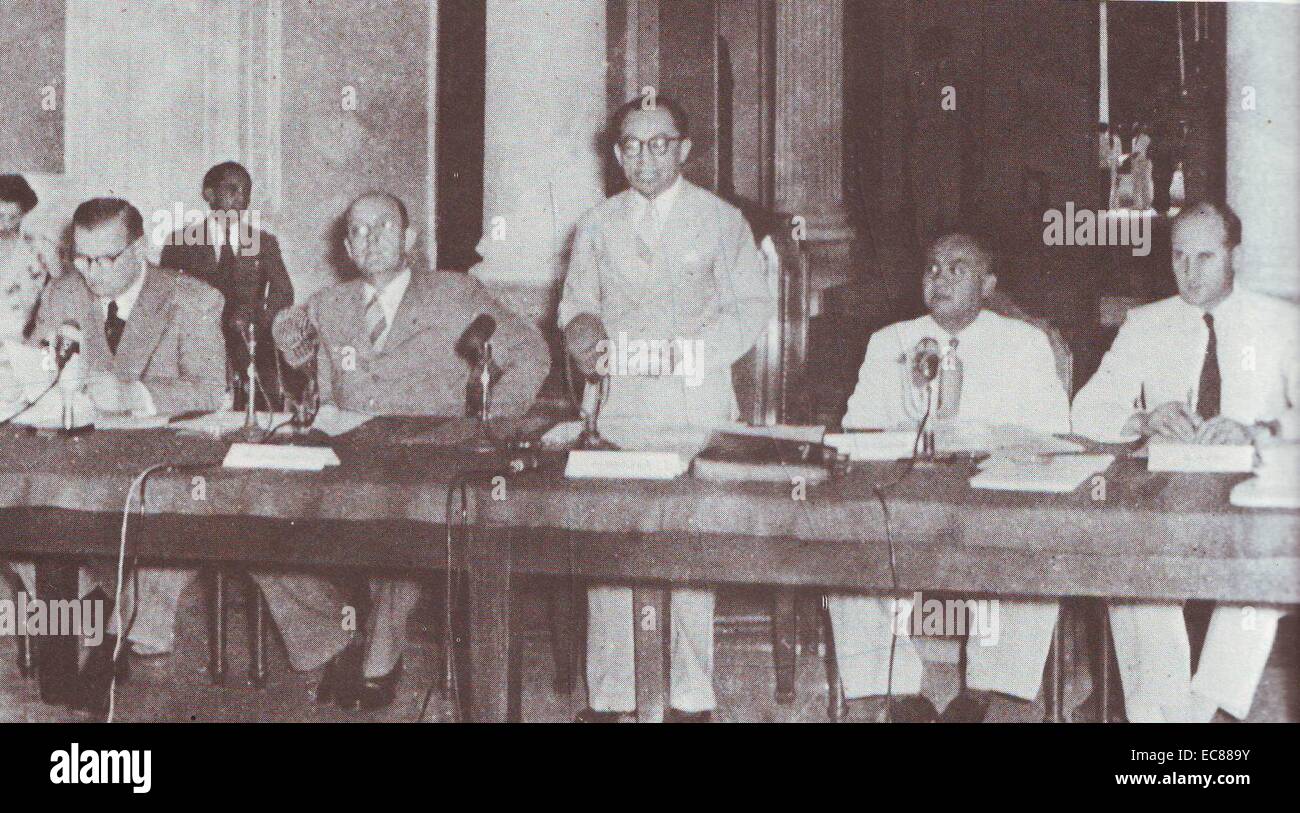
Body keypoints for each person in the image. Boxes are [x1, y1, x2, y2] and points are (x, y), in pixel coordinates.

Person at [265, 191, 549, 710]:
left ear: (410, 239)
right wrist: (285, 332)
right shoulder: (330, 303)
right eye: (357, 231)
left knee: (401, 518)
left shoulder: (452, 294)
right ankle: (330, 640)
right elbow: (307, 369)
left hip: (428, 460)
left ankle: (379, 652)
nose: (368, 239)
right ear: (346, 245)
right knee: (255, 519)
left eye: (383, 227)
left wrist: (489, 425)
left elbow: (530, 354)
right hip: (344, 454)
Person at [560, 95, 771, 722]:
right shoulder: (596, 223)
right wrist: (583, 336)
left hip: (692, 409)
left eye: (659, 144)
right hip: (618, 408)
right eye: (630, 146)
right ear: (617, 152)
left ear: (684, 149)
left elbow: (748, 310)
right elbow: (575, 306)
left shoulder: (722, 220)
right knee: (610, 549)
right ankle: (615, 695)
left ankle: (689, 697)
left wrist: (677, 359)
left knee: (686, 550)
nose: (644, 158)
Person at [827, 233, 1071, 722]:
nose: (939, 278)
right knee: (843, 542)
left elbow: (1055, 435)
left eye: (958, 269)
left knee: (1038, 538)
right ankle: (888, 692)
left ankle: (997, 694)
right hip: (907, 501)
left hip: (994, 500)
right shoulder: (890, 341)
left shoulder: (1024, 343)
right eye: (932, 269)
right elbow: (856, 429)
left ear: (988, 284)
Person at [1072, 200, 1299, 723]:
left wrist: (1259, 429)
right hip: (1167, 493)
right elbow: (1085, 409)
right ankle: (1168, 721)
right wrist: (1144, 417)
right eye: (1179, 257)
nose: (1189, 272)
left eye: (1205, 257)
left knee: (1259, 570)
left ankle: (1205, 706)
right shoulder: (1146, 323)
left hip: (1254, 489)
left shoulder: (1281, 323)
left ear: (1235, 257)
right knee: (1132, 567)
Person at [12, 197, 227, 710]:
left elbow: (209, 388)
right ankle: (103, 612)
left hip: (159, 461)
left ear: (139, 249)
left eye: (104, 259)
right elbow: (37, 375)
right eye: (79, 258)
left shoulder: (192, 298)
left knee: (154, 533)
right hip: (81, 457)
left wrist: (135, 396)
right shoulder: (64, 291)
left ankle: (110, 622)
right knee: (23, 518)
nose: (88, 273)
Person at [160, 162, 293, 409]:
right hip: (196, 348)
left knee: (259, 412)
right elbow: (165, 296)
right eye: (232, 189)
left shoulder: (263, 242)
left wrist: (257, 322)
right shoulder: (180, 243)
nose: (241, 198)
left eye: (246, 191)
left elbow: (283, 293)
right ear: (209, 194)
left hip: (250, 348)